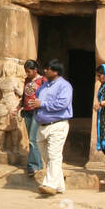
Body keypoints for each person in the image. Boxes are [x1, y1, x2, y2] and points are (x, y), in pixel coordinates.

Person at [26, 59, 72, 195]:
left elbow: (62, 104)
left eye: (48, 69)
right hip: (42, 125)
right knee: (47, 156)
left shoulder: (64, 86)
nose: (45, 71)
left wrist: (43, 104)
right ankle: (59, 186)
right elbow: (37, 101)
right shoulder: (44, 86)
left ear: (56, 71)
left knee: (54, 155)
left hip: (57, 124)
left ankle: (49, 185)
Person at [21, 59, 44, 176]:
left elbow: (47, 95)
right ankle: (39, 163)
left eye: (29, 71)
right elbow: (24, 96)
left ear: (35, 70)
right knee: (32, 139)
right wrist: (19, 107)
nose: (27, 74)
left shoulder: (43, 80)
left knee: (32, 139)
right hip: (27, 111)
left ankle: (32, 166)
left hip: (37, 112)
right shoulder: (27, 80)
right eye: (26, 71)